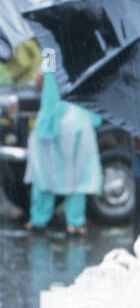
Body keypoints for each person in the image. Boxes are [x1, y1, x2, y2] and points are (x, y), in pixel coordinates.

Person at [23, 70, 101, 236]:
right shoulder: (87, 51)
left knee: (44, 171)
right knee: (77, 177)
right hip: (81, 120)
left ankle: (39, 219)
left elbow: (40, 82)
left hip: (54, 120)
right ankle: (75, 223)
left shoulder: (51, 50)